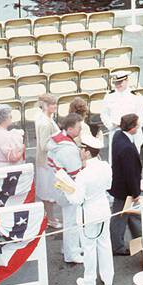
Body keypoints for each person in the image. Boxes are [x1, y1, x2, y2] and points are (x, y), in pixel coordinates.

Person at [67, 128, 114, 285]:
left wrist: (67, 189)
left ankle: (89, 282)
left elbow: (76, 199)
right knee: (104, 244)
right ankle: (108, 279)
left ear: (87, 152)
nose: (80, 152)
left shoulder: (83, 174)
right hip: (103, 208)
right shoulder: (105, 166)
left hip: (88, 213)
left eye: (82, 149)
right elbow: (108, 186)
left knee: (89, 248)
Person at [47, 113, 85, 264]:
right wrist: (83, 160)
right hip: (67, 187)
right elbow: (76, 172)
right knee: (72, 221)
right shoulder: (67, 149)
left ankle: (68, 248)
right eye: (78, 127)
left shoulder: (58, 139)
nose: (81, 129)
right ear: (69, 129)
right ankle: (72, 253)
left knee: (70, 220)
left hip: (59, 184)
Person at [108, 113, 143, 253]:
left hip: (120, 185)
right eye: (137, 124)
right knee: (119, 218)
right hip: (125, 189)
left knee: (132, 215)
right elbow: (130, 173)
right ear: (132, 128)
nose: (139, 126)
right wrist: (135, 193)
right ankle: (117, 246)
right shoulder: (127, 148)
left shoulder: (118, 136)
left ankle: (140, 239)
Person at [33, 94, 60, 224]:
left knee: (48, 191)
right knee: (47, 192)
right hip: (46, 161)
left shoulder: (46, 118)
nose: (55, 106)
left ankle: (49, 217)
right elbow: (44, 145)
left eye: (55, 104)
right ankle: (50, 219)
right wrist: (60, 143)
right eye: (52, 104)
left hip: (48, 161)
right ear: (45, 106)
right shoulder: (44, 122)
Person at [0, 104, 25, 169]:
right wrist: (23, 148)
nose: (11, 118)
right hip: (6, 170)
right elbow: (13, 158)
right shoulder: (5, 136)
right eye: (10, 116)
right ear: (5, 119)